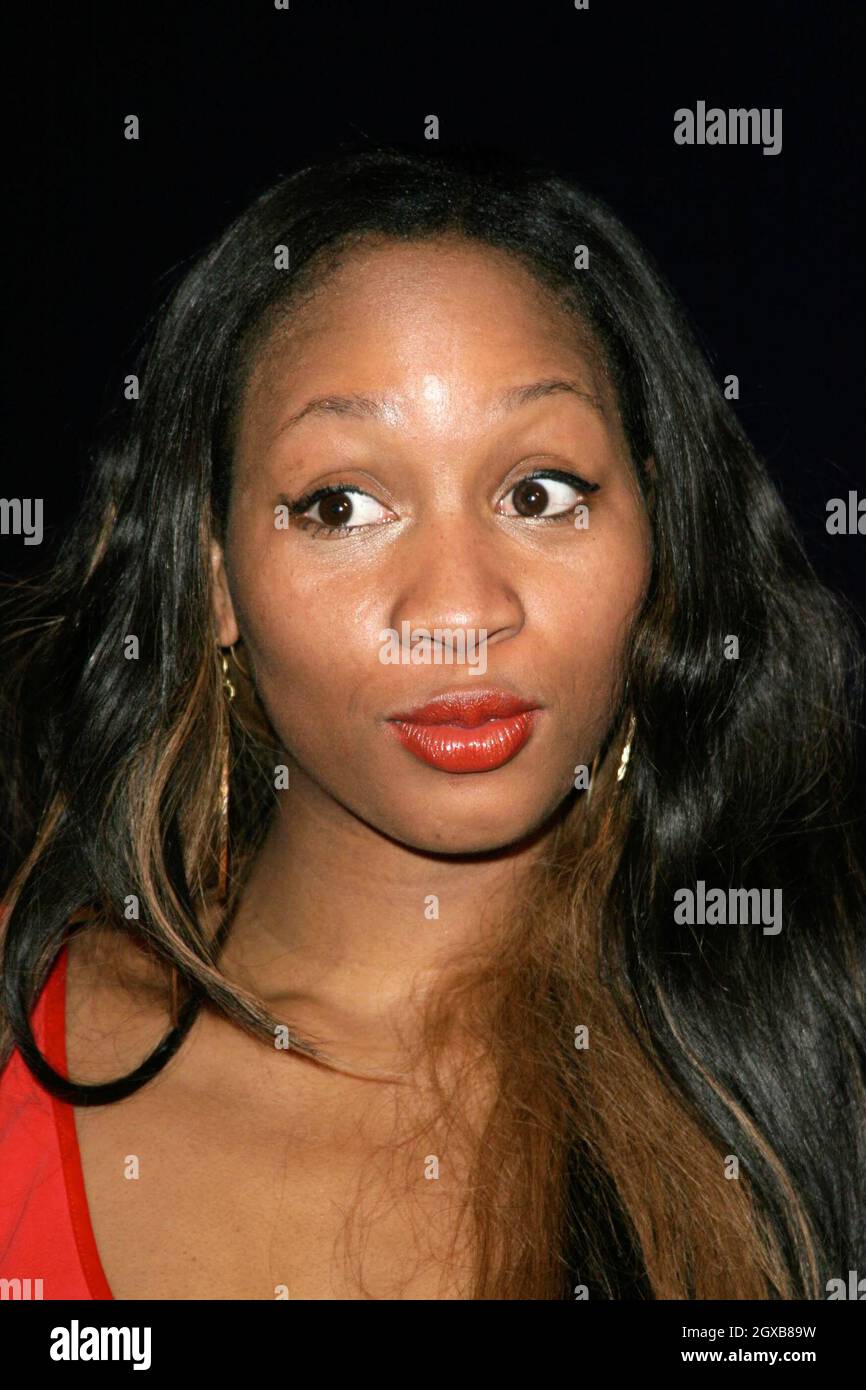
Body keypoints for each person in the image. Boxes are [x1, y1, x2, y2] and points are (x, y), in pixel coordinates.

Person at [1, 144, 864, 1301]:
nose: (459, 611)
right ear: (211, 575)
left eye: (539, 494)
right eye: (341, 505)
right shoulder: (19, 1022)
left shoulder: (823, 1043)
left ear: (658, 539)